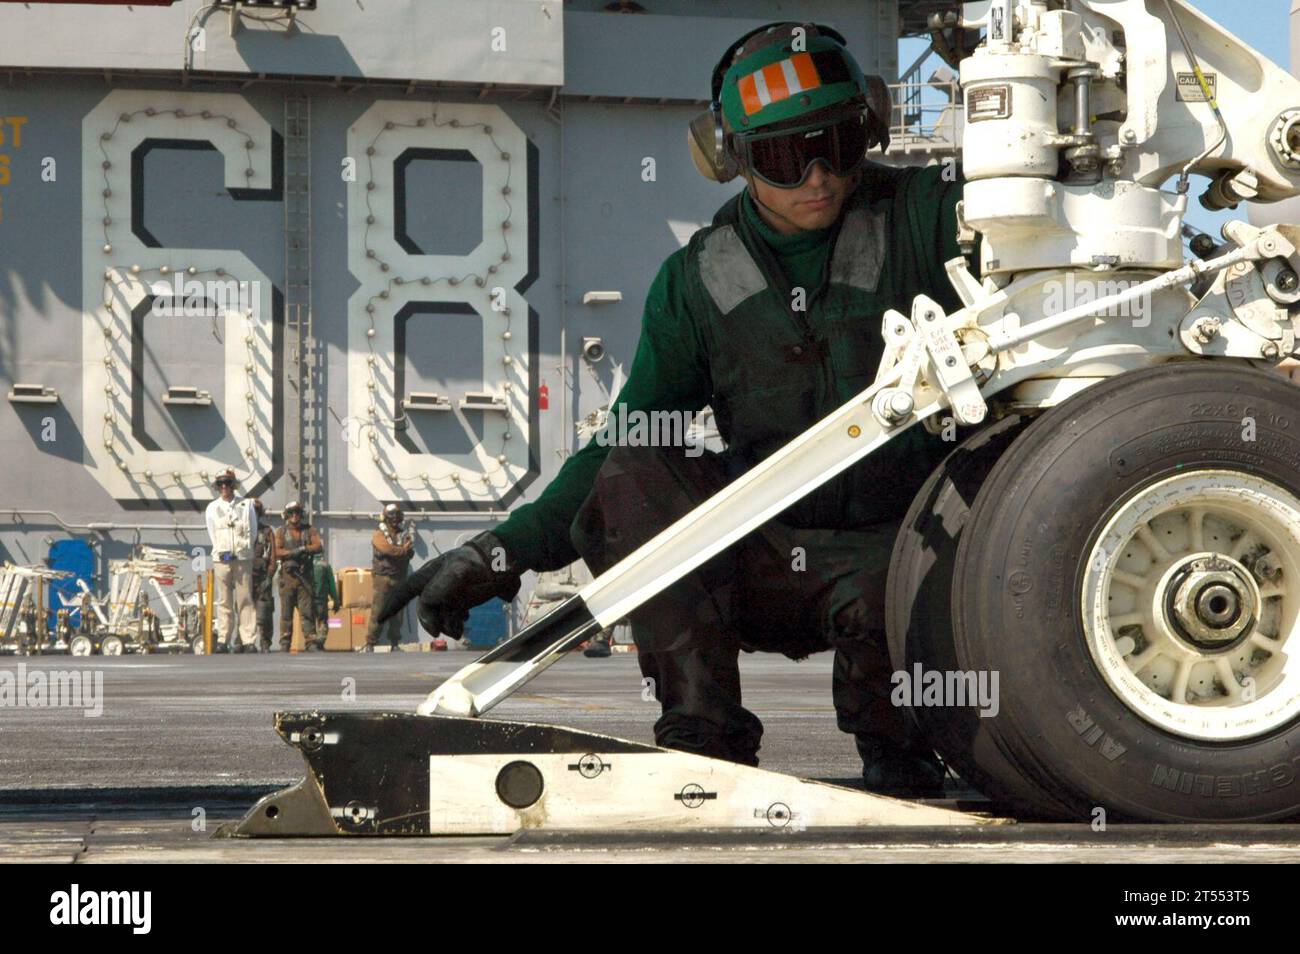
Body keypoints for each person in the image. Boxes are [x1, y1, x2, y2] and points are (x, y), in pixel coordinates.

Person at [377, 23, 972, 796]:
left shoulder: (934, 215)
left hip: (907, 559)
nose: (820, 176)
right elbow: (624, 439)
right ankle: (702, 736)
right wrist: (500, 553)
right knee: (634, 471)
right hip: (759, 561)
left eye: (840, 142)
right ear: (731, 158)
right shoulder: (697, 281)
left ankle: (902, 744)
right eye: (788, 157)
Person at [204, 468, 258, 653]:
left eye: (227, 483)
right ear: (217, 487)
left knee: (245, 599)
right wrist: (222, 549)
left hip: (242, 558)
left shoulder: (247, 505)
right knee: (224, 600)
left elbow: (253, 530)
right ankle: (223, 639)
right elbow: (212, 533)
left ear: (234, 485)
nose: (224, 487)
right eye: (221, 484)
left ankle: (248, 639)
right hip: (222, 559)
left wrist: (244, 549)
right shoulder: (212, 508)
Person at [363, 504, 414, 653]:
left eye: (396, 516)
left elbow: (410, 551)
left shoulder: (403, 535)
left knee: (397, 613)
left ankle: (395, 642)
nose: (394, 519)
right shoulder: (379, 534)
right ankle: (371, 642)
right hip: (383, 578)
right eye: (391, 516)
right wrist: (403, 550)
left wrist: (405, 550)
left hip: (399, 577)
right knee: (378, 611)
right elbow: (386, 549)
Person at [274, 501, 323, 652]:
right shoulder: (281, 532)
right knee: (286, 613)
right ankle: (284, 642)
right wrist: (291, 553)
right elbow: (276, 551)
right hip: (288, 577)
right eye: (291, 513)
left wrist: (303, 549)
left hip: (305, 577)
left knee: (307, 612)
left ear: (301, 514)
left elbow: (318, 546)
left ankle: (310, 640)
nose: (294, 515)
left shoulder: (309, 530)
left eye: (297, 512)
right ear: (287, 515)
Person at [249, 498, 277, 652]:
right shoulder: (242, 531)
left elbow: (273, 556)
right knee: (244, 609)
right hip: (246, 576)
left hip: (262, 576)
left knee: (265, 610)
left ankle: (265, 641)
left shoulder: (266, 531)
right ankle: (245, 640)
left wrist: (269, 576)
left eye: (256, 512)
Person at [311, 547, 338, 646]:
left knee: (310, 623)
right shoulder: (325, 566)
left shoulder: (305, 565)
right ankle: (320, 643)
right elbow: (332, 586)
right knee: (322, 622)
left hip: (308, 601)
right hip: (321, 600)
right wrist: (336, 601)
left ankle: (311, 643)